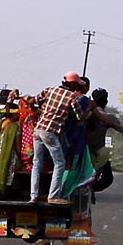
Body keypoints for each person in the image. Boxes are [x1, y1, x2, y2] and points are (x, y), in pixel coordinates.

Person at [29, 71, 91, 204]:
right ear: (73, 84)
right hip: (50, 132)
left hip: (38, 129)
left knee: (36, 163)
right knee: (60, 163)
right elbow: (80, 117)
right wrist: (89, 109)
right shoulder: (72, 96)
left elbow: (32, 101)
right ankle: (53, 195)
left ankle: (33, 195)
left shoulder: (49, 90)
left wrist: (42, 108)